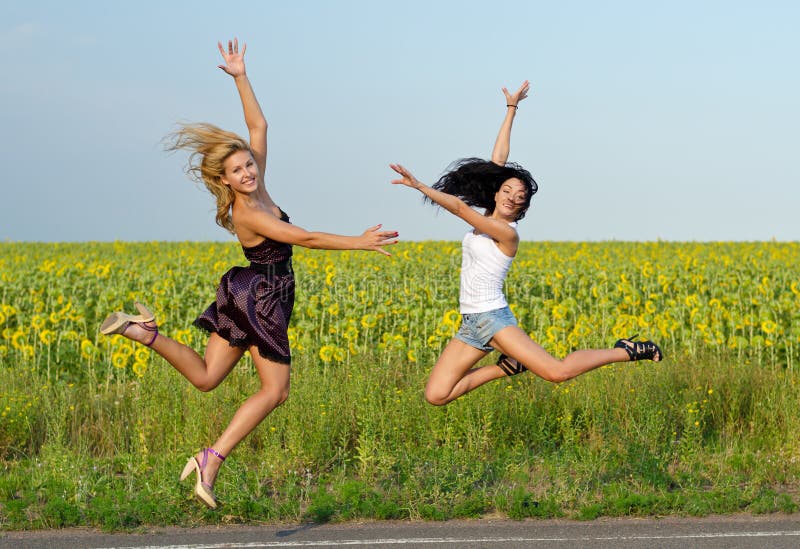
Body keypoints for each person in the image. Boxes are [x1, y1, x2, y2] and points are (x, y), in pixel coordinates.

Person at [100, 39, 398, 508]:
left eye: (248, 164)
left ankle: (144, 334)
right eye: (236, 170)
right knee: (275, 391)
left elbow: (258, 125)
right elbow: (306, 238)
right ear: (223, 181)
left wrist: (240, 75)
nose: (247, 172)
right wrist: (358, 242)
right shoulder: (249, 213)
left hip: (247, 288)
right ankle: (211, 459)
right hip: (262, 296)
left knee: (205, 378)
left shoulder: (259, 186)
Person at [390, 81, 662, 406]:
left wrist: (420, 185)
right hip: (471, 321)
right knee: (437, 394)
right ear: (495, 193)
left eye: (518, 197)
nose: (511, 197)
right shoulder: (491, 212)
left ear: (522, 207)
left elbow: (461, 208)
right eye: (506, 191)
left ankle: (626, 351)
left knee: (557, 372)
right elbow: (499, 159)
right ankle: (508, 367)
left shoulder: (507, 233)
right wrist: (511, 108)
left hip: (493, 318)